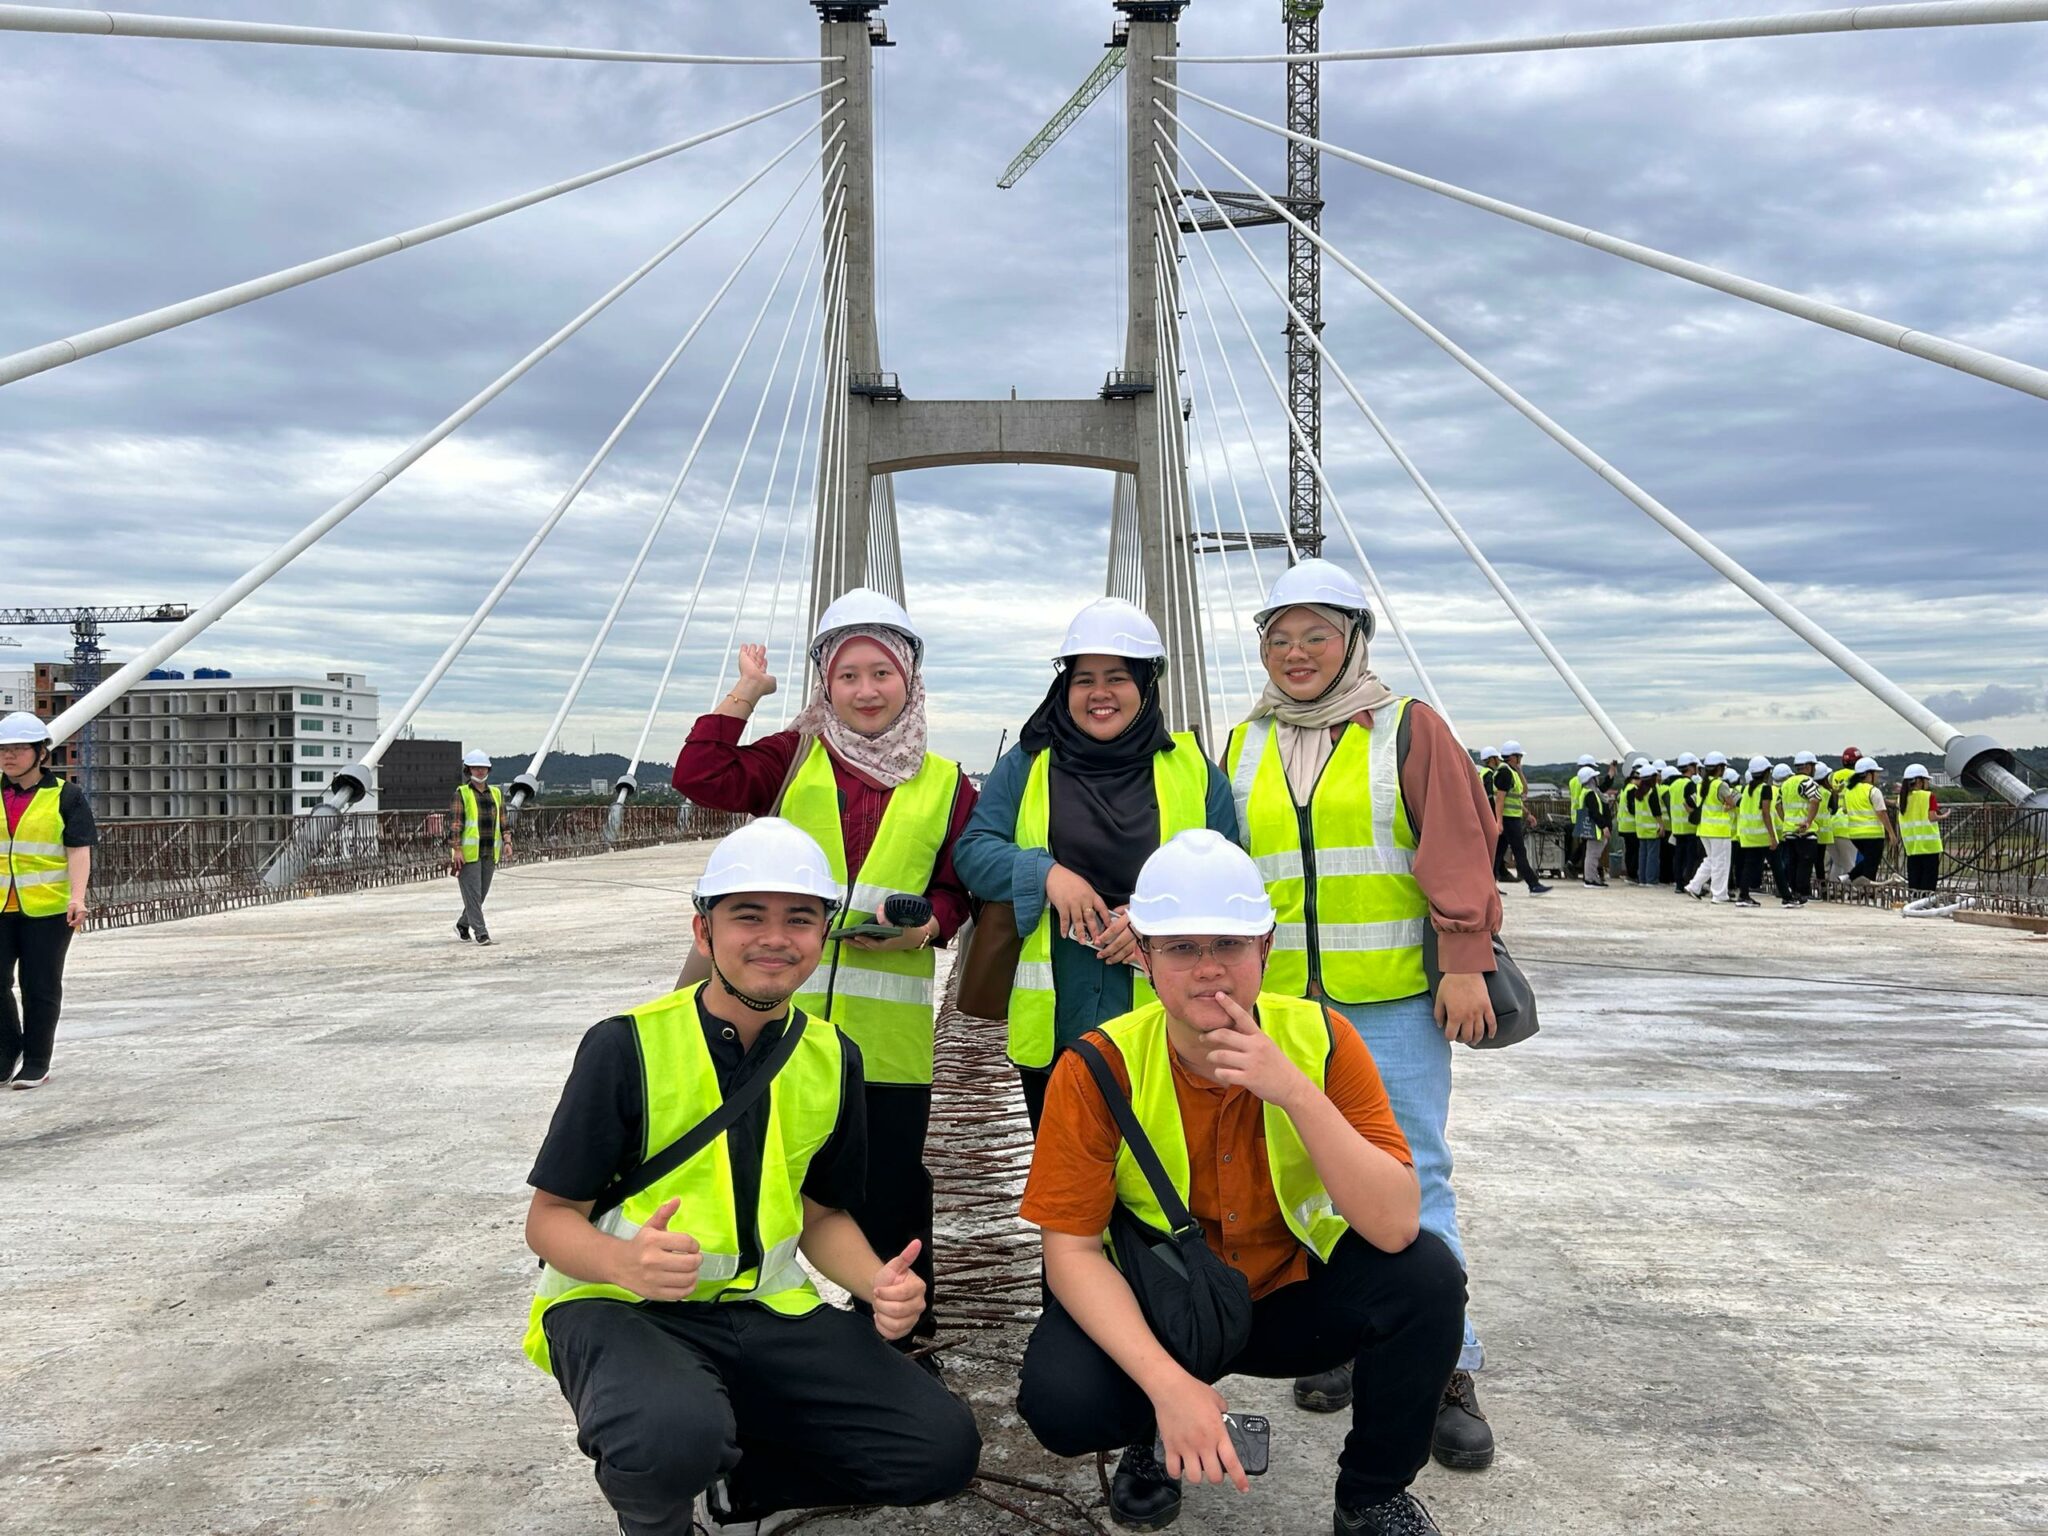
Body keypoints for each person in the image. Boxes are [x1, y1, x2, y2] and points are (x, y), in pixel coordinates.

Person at [521, 818, 980, 1534]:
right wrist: (625, 1262)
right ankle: (661, 1517)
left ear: (823, 934)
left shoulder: (832, 1056)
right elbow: (548, 1220)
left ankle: (747, 1483)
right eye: (748, 916)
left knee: (939, 1449)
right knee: (669, 1439)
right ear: (704, 933)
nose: (775, 937)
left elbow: (821, 1215)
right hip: (620, 1307)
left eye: (799, 918)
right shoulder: (625, 1047)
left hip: (765, 1309)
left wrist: (876, 1284)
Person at [1015, 831, 1466, 1536]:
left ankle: (1373, 1493)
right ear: (1144, 955)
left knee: (1427, 1279)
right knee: (1065, 1403)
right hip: (1169, 1305)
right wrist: (1169, 1388)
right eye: (1182, 948)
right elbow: (1069, 1251)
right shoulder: (1099, 1067)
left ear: (1266, 946)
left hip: (1291, 1297)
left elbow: (1396, 1225)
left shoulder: (1322, 1039)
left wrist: (1293, 1091)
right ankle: (1153, 1436)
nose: (1208, 971)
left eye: (1227, 944)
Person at [1218, 559, 1501, 1473]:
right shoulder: (1244, 741)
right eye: (1279, 638)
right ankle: (1345, 1334)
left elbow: (1459, 842)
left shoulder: (1408, 728)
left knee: (1412, 1169)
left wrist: (1465, 961)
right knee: (1301, 1172)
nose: (1296, 654)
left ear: (1354, 642)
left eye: (1317, 636)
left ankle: (1445, 1368)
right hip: (1280, 1005)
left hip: (1389, 1002)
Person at [671, 587, 976, 1354]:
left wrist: (932, 925)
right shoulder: (790, 757)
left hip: (887, 1036)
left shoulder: (946, 782)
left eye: (882, 673)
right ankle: (773, 1317)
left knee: (891, 1190)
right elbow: (700, 776)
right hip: (777, 1022)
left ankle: (906, 1331)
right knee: (772, 1174)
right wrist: (747, 691)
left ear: (910, 679)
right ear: (824, 686)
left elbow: (961, 884)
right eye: (847, 676)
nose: (866, 691)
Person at [954, 597, 1237, 1131]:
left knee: (1166, 1175)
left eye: (1117, 678)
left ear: (1146, 685)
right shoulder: (1028, 763)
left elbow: (1229, 870)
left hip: (1168, 1015)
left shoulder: (1192, 769)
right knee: (1070, 1179)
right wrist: (1046, 874)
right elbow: (973, 851)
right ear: (1065, 688)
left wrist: (1153, 918)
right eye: (1084, 679)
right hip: (1059, 1018)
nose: (1099, 694)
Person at [1, 711, 96, 1089]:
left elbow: (78, 850)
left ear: (41, 752)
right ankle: (7, 1053)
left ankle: (37, 1060)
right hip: (1, 906)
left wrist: (78, 897)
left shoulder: (65, 796)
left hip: (48, 908)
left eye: (19, 748)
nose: (9, 756)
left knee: (39, 985)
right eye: (3, 749)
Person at [449, 748, 509, 945]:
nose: (480, 772)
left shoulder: (496, 793)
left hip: (490, 851)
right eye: (476, 768)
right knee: (473, 894)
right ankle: (481, 933)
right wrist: (457, 849)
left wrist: (507, 841)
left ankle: (463, 924)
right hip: (468, 853)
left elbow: (503, 820)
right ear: (469, 770)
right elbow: (456, 823)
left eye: (483, 768)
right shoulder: (462, 793)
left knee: (480, 894)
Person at [1490, 740, 1550, 895]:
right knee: (1519, 851)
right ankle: (1533, 884)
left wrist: (1527, 814)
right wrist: (1499, 822)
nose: (1521, 760)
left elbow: (1522, 793)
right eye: (1519, 757)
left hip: (1512, 818)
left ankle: (1488, 886)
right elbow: (1500, 799)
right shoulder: (1505, 772)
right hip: (1508, 820)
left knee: (1497, 853)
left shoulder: (1511, 772)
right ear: (1512, 757)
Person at [1684, 755, 1739, 903]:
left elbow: (1690, 804)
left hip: (1704, 829)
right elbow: (1731, 803)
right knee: (1721, 862)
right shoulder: (1721, 785)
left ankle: (1694, 886)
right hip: (1719, 830)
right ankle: (1719, 895)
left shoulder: (1701, 785)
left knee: (1711, 860)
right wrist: (1728, 805)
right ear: (1719, 768)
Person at [1839, 759, 1897, 883]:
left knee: (1869, 860)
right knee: (1871, 865)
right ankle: (1866, 889)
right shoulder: (1873, 791)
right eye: (1875, 773)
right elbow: (1882, 813)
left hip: (1855, 834)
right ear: (1868, 774)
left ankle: (1849, 878)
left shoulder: (1849, 791)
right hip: (1873, 834)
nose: (1877, 775)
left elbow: (1845, 810)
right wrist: (1891, 833)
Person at [1734, 756, 1778, 909]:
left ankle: (1743, 895)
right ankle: (1787, 897)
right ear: (1766, 772)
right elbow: (1765, 813)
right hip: (1762, 835)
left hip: (1748, 834)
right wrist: (1773, 836)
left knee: (1749, 866)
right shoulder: (1765, 789)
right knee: (1777, 866)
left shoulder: (1746, 789)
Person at [1898, 764, 1948, 893]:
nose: (1927, 783)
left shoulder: (1902, 798)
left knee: (1914, 876)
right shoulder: (1928, 796)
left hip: (1912, 845)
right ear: (1919, 781)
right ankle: (1925, 903)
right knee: (1929, 878)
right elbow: (1932, 817)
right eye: (1926, 780)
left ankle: (1914, 901)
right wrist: (1944, 816)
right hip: (1929, 845)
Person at [1669, 754, 1703, 891]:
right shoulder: (1689, 785)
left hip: (1677, 827)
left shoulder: (1674, 785)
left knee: (1678, 857)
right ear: (1690, 767)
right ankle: (1687, 883)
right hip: (1689, 827)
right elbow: (1691, 803)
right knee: (1690, 859)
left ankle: (1678, 884)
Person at [1574, 765, 1610, 888]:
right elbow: (1594, 812)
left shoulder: (1586, 792)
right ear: (1591, 779)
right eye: (1595, 777)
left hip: (1591, 829)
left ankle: (1591, 878)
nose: (1597, 779)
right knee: (1593, 855)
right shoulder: (1590, 794)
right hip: (1595, 830)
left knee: (1591, 854)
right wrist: (1604, 826)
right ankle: (1591, 879)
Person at [1637, 762, 1668, 887]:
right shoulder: (1652, 792)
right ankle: (1651, 880)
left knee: (1643, 855)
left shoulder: (1638, 793)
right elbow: (1656, 811)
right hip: (1651, 828)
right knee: (1652, 856)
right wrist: (1661, 825)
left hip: (1641, 828)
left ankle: (1642, 879)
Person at [1616, 759, 1646, 884]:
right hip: (1632, 826)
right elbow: (1632, 808)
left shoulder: (1624, 788)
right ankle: (1633, 874)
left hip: (1623, 825)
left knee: (1629, 851)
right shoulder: (1632, 789)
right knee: (1635, 852)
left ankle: (1630, 874)